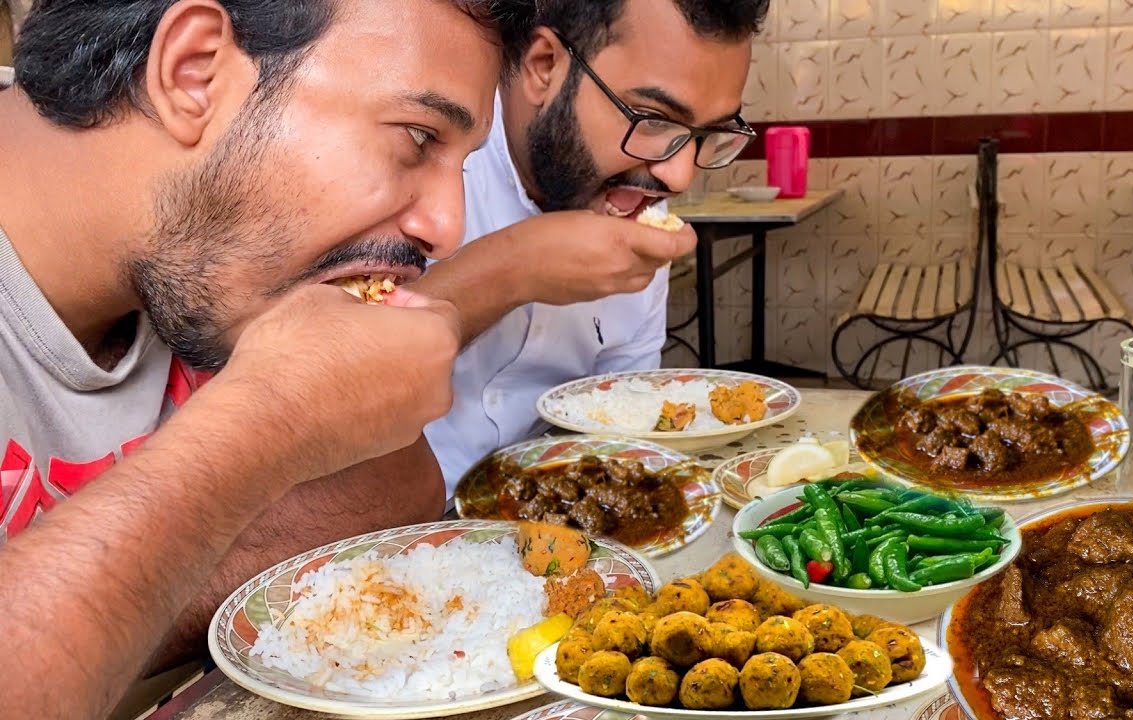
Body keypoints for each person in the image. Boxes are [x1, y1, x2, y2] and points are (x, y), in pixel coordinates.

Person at [0, 0, 691, 716]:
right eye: (418, 137)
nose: (445, 228)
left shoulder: (207, 259)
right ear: (193, 72)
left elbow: (393, 489)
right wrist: (267, 419)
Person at [422, 0, 768, 491]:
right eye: (652, 119)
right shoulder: (421, 157)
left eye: (710, 135)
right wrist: (512, 267)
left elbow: (622, 420)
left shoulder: (637, 207)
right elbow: (327, 377)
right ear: (545, 66)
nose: (679, 174)